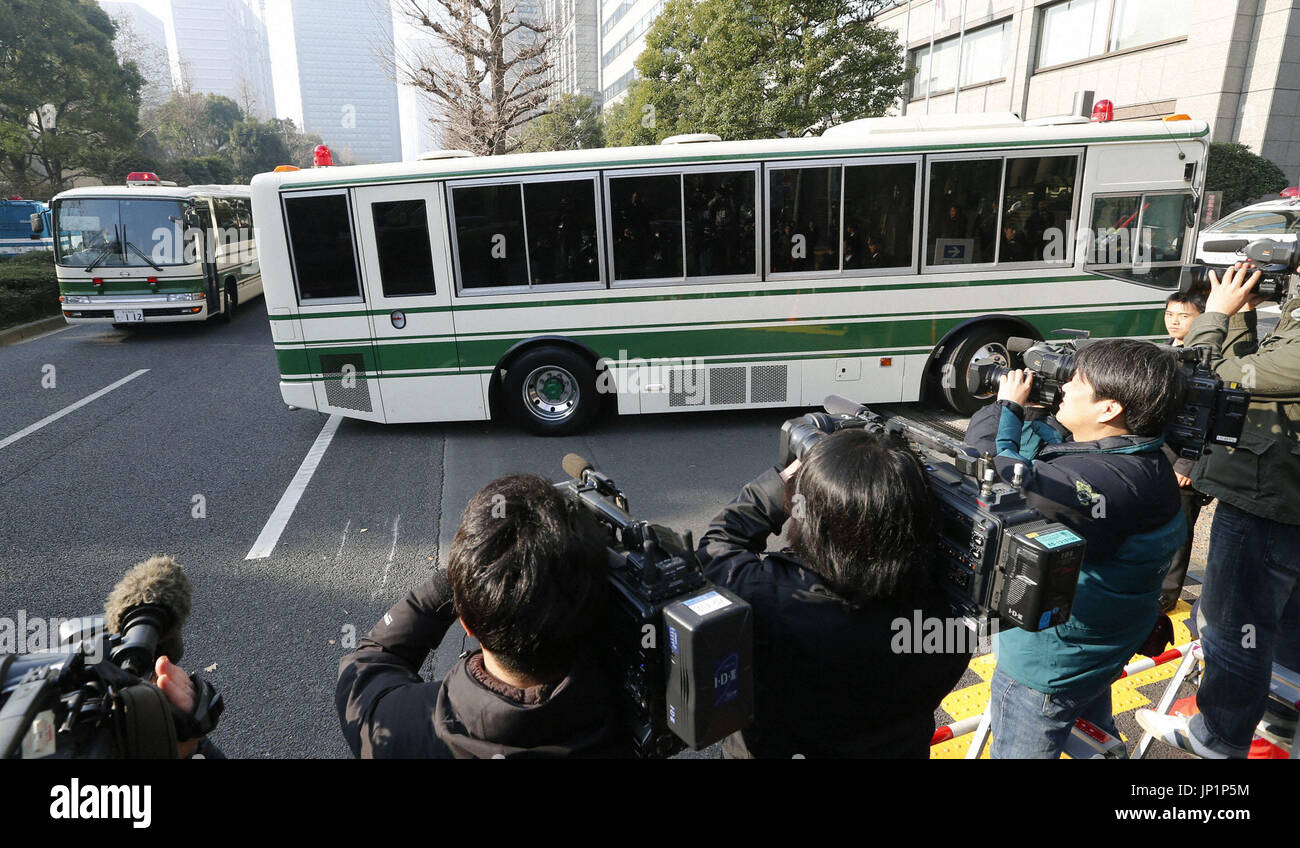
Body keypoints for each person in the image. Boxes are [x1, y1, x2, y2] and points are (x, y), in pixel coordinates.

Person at [964, 338, 1187, 758]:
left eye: (1076, 381)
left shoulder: (1099, 482)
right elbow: (1057, 462)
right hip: (1105, 640)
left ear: (1109, 409)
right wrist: (1035, 415)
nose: (1063, 387)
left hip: (1051, 660)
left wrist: (1006, 407)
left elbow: (994, 475)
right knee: (1089, 725)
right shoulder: (1144, 456)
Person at [696, 428, 971, 758]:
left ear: (811, 520)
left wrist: (783, 480)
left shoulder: (768, 598)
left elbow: (716, 546)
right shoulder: (952, 612)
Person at [336, 474, 628, 758]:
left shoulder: (397, 725)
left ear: (467, 623)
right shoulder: (633, 719)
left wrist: (458, 579)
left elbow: (370, 660)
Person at [1138, 263, 1300, 758]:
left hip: (1265, 500)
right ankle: (1279, 717)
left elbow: (1205, 375)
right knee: (1285, 622)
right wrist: (1243, 320)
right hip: (1279, 497)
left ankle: (1219, 734)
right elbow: (1251, 376)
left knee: (1231, 625)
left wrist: (1215, 314)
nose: (1290, 276)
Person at [1158, 290, 1209, 614]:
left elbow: (1207, 420)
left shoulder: (1207, 359)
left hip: (1183, 466)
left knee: (1178, 531)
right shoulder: (1167, 353)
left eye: (1184, 315)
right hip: (1160, 457)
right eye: (1170, 313)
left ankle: (1166, 595)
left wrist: (1188, 465)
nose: (1174, 321)